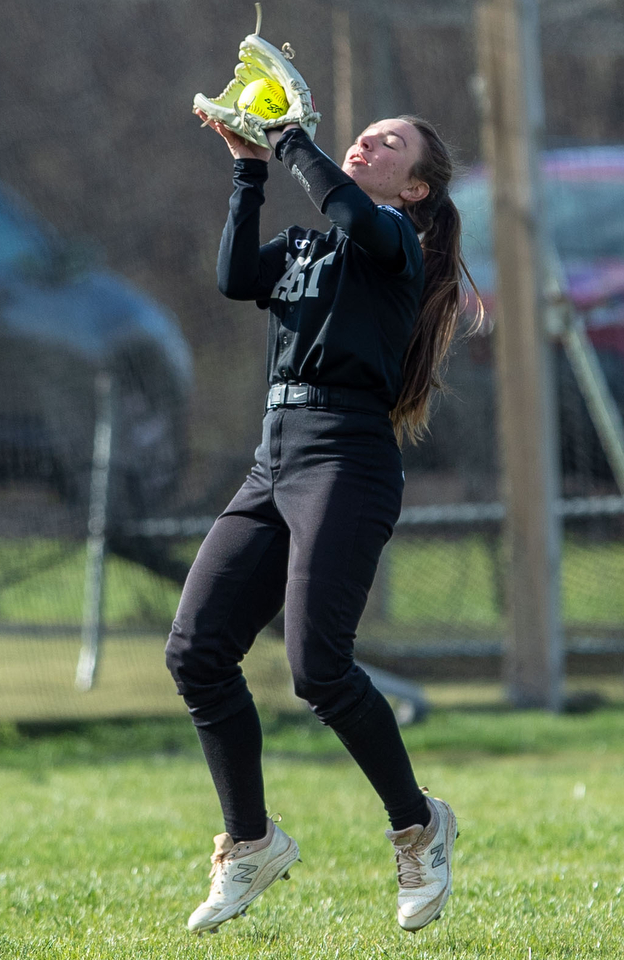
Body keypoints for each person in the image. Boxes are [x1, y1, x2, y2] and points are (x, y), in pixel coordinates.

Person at [166, 108, 482, 934]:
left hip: (346, 459)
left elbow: (348, 208)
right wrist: (248, 168)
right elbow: (237, 278)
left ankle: (419, 826)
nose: (368, 142)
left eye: (391, 144)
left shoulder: (394, 240)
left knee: (318, 668)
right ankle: (251, 841)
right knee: (197, 653)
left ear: (413, 187)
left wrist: (294, 139)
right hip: (274, 457)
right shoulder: (314, 243)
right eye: (365, 133)